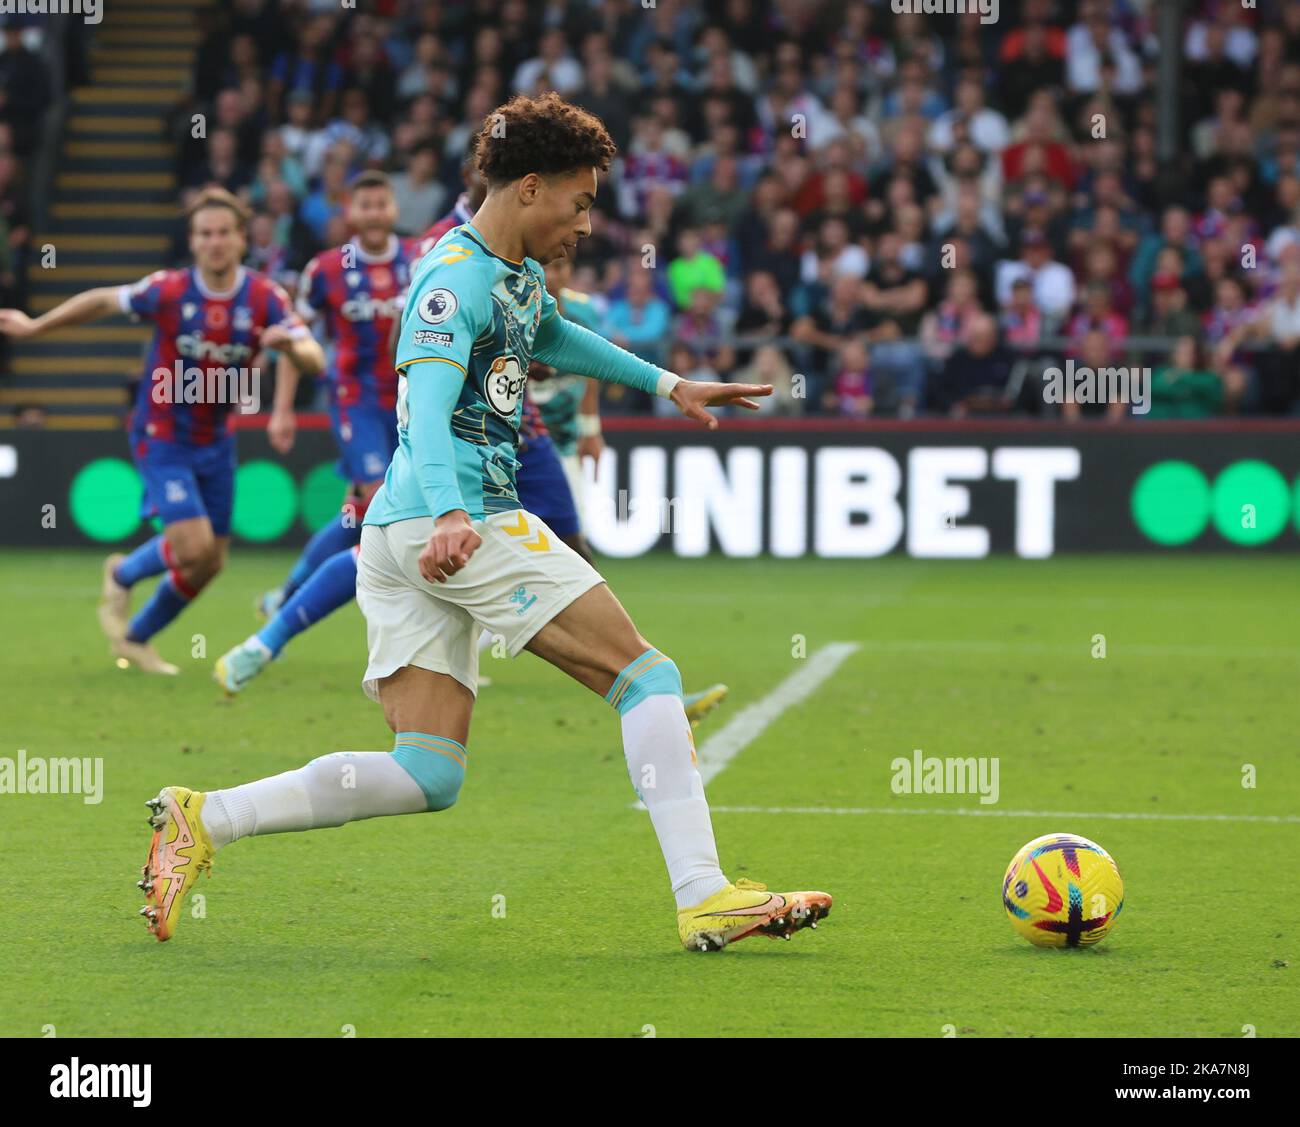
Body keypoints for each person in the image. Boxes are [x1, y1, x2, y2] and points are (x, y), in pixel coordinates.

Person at [138, 92, 830, 953]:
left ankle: (206, 816)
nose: (586, 224)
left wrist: (668, 384)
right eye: (580, 202)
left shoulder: (512, 274)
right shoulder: (452, 280)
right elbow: (423, 412)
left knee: (427, 770)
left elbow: (557, 337)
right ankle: (705, 893)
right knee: (648, 677)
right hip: (459, 520)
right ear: (530, 187)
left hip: (406, 531)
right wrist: (452, 512)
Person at [0, 188, 323, 674]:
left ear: (241, 239)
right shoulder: (169, 290)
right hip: (163, 432)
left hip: (216, 438)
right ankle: (124, 574)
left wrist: (292, 349)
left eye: (224, 233)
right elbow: (102, 300)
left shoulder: (264, 297)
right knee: (193, 547)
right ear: (192, 241)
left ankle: (134, 634)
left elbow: (313, 355)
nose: (214, 242)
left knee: (211, 562)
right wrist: (36, 327)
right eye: (205, 234)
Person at [215, 171, 423, 693]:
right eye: (364, 204)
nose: (373, 213)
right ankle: (393, 638)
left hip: (412, 402)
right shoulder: (327, 269)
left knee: (359, 516)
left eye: (381, 203)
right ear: (350, 212)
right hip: (356, 401)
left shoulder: (420, 260)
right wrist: (283, 409)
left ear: (393, 209)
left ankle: (285, 599)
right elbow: (294, 340)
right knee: (386, 511)